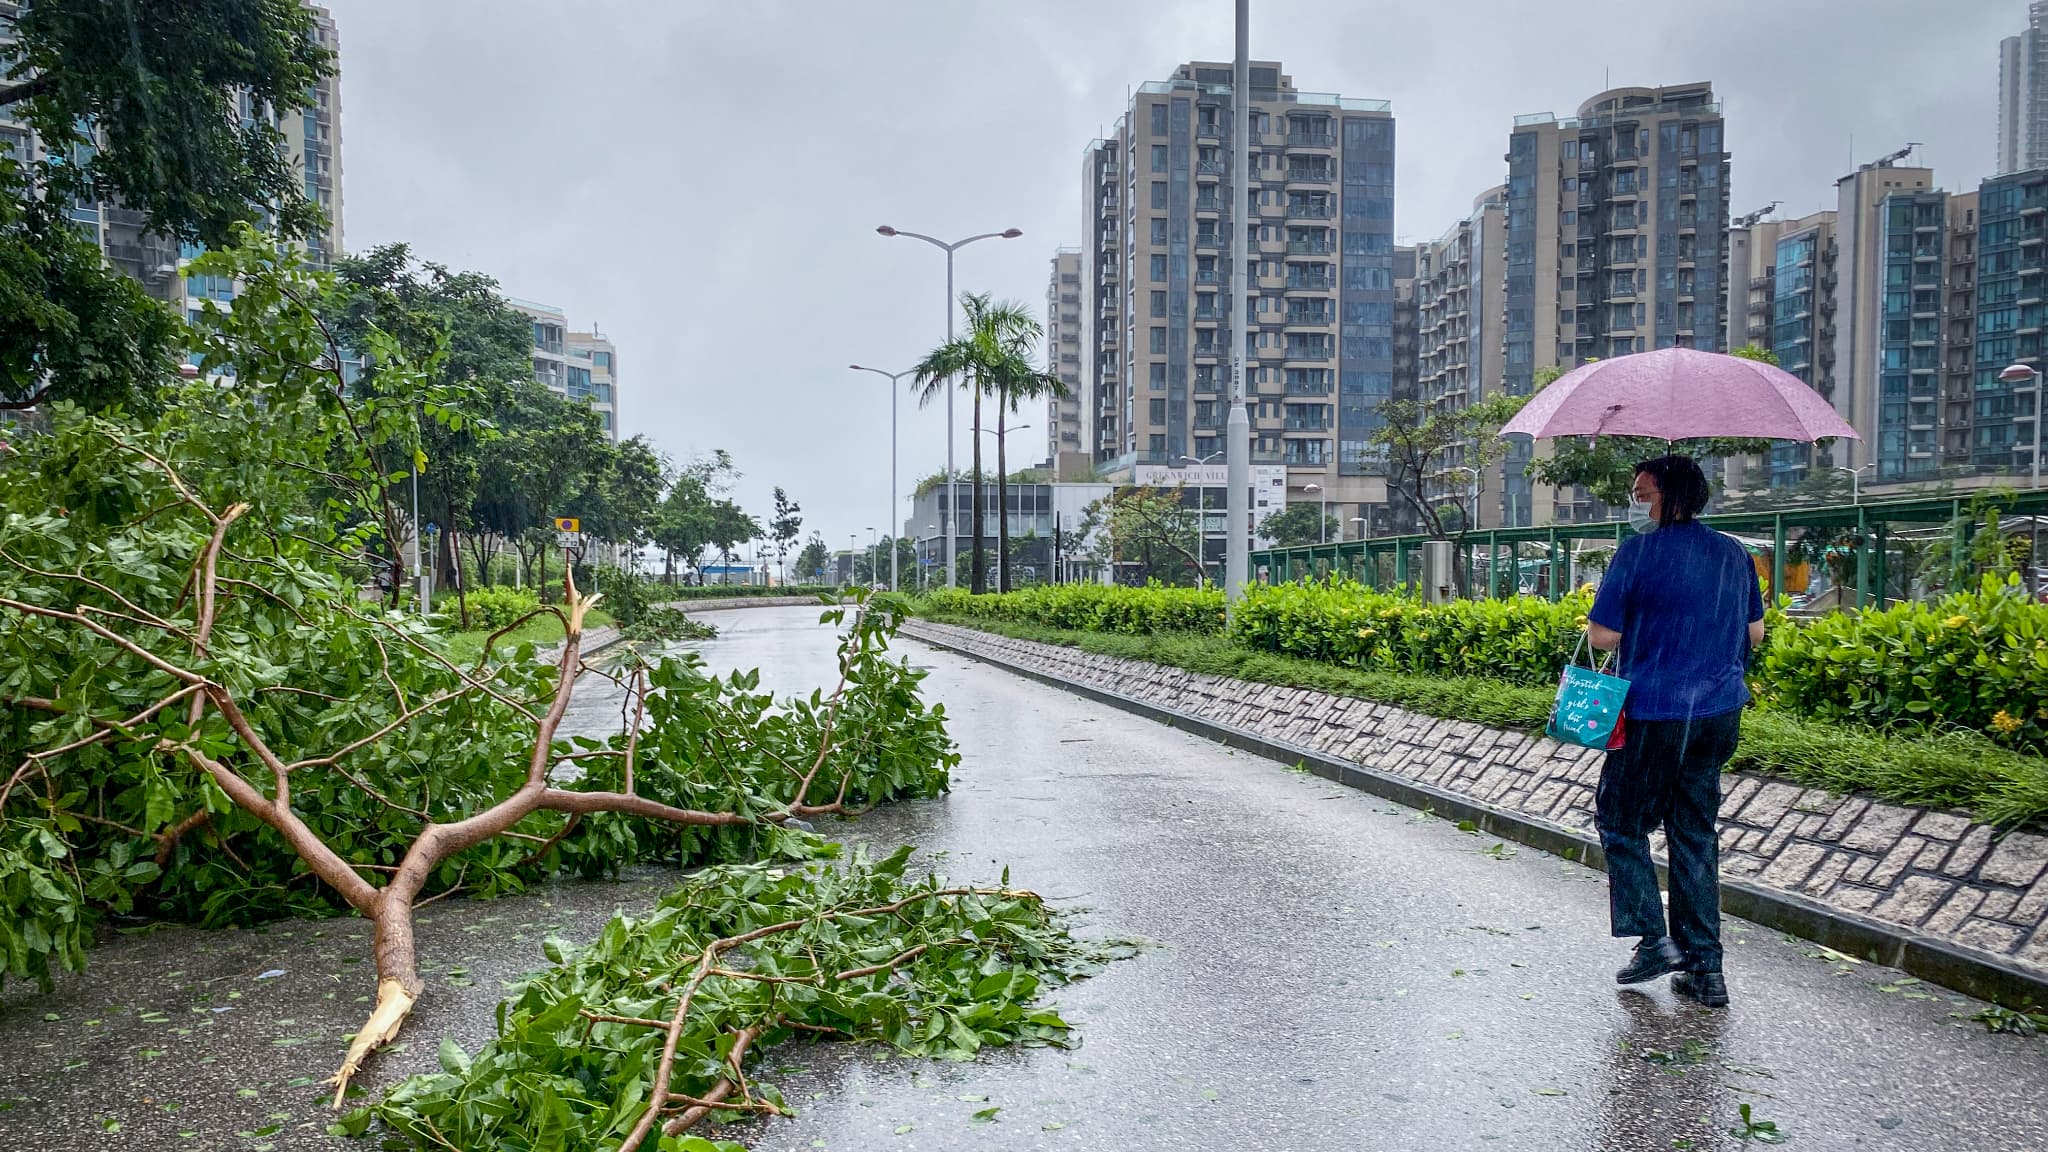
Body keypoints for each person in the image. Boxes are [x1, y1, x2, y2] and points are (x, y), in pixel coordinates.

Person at [1585, 455, 1763, 1009]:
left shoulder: (1637, 552)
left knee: (1621, 821)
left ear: (1673, 496)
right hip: (1718, 713)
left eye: (1642, 493)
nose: (1635, 503)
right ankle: (1706, 970)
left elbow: (1602, 636)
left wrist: (1644, 624)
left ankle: (1652, 939)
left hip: (1655, 711)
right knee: (1694, 832)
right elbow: (1755, 633)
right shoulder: (1734, 553)